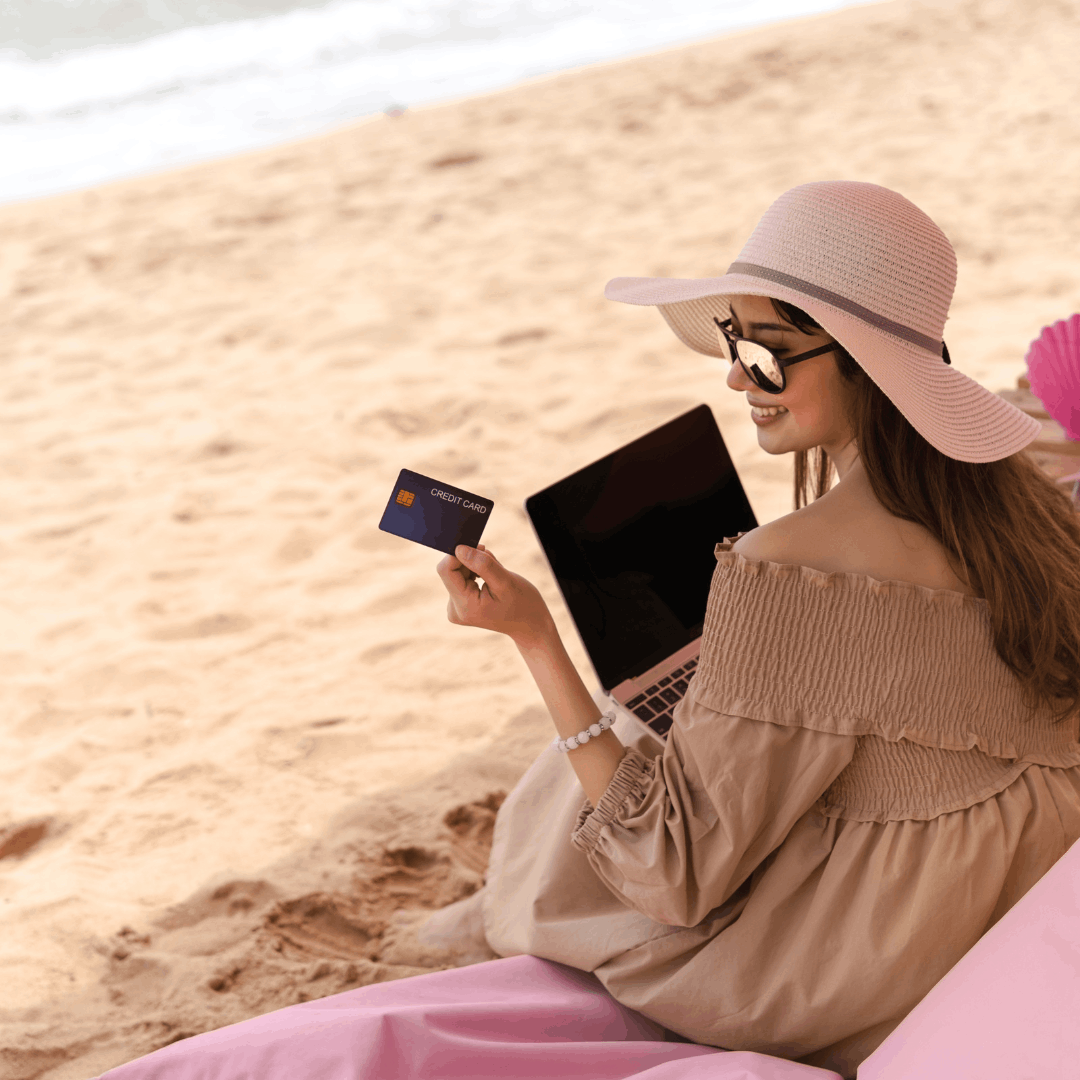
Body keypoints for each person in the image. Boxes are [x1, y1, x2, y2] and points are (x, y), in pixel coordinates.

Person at [96, 181, 1080, 1080]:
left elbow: (672, 870)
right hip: (975, 910)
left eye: (762, 348)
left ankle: (494, 918)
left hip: (838, 975)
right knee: (667, 730)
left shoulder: (792, 568)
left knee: (581, 780)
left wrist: (535, 639)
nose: (740, 378)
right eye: (733, 345)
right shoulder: (1033, 516)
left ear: (859, 360)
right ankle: (494, 904)